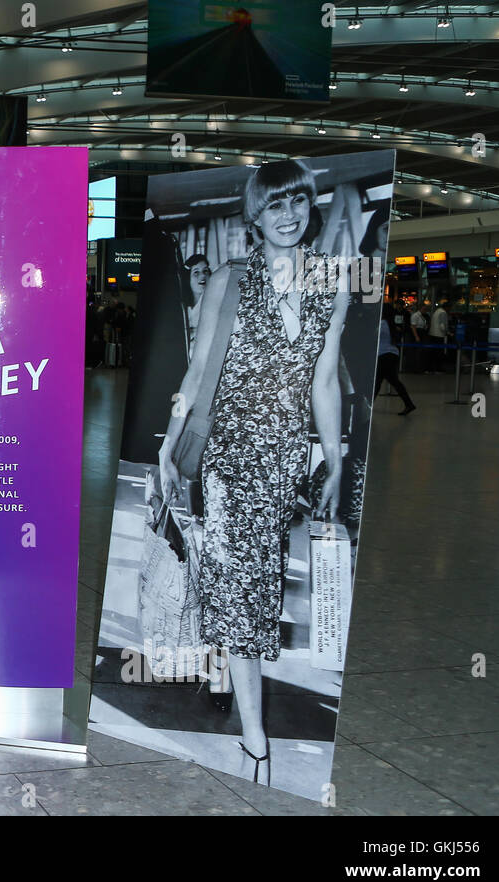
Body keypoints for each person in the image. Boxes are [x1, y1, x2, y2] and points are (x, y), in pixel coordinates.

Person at [158, 160, 347, 787]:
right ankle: (255, 738)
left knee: (251, 583)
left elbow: (323, 380)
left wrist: (334, 457)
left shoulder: (332, 283)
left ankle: (226, 667)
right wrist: (170, 442)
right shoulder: (228, 280)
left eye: (297, 202)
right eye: (275, 206)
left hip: (285, 458)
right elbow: (196, 370)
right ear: (255, 216)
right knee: (245, 591)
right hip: (231, 455)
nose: (288, 215)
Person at [376, 305, 416, 416]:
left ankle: (368, 407)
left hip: (384, 355)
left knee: (379, 381)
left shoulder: (382, 324)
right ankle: (409, 404)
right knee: (392, 381)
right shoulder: (391, 325)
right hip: (392, 354)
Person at [183, 253, 211, 357]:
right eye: (196, 273)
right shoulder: (182, 306)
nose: (202, 276)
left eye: (205, 271)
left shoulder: (214, 302)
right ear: (187, 278)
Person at [428, 300, 450, 373]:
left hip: (432, 334)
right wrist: (448, 332)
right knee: (439, 353)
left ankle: (431, 368)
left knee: (433, 352)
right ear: (447, 307)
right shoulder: (443, 313)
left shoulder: (437, 311)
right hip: (439, 335)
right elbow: (442, 326)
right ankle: (438, 368)